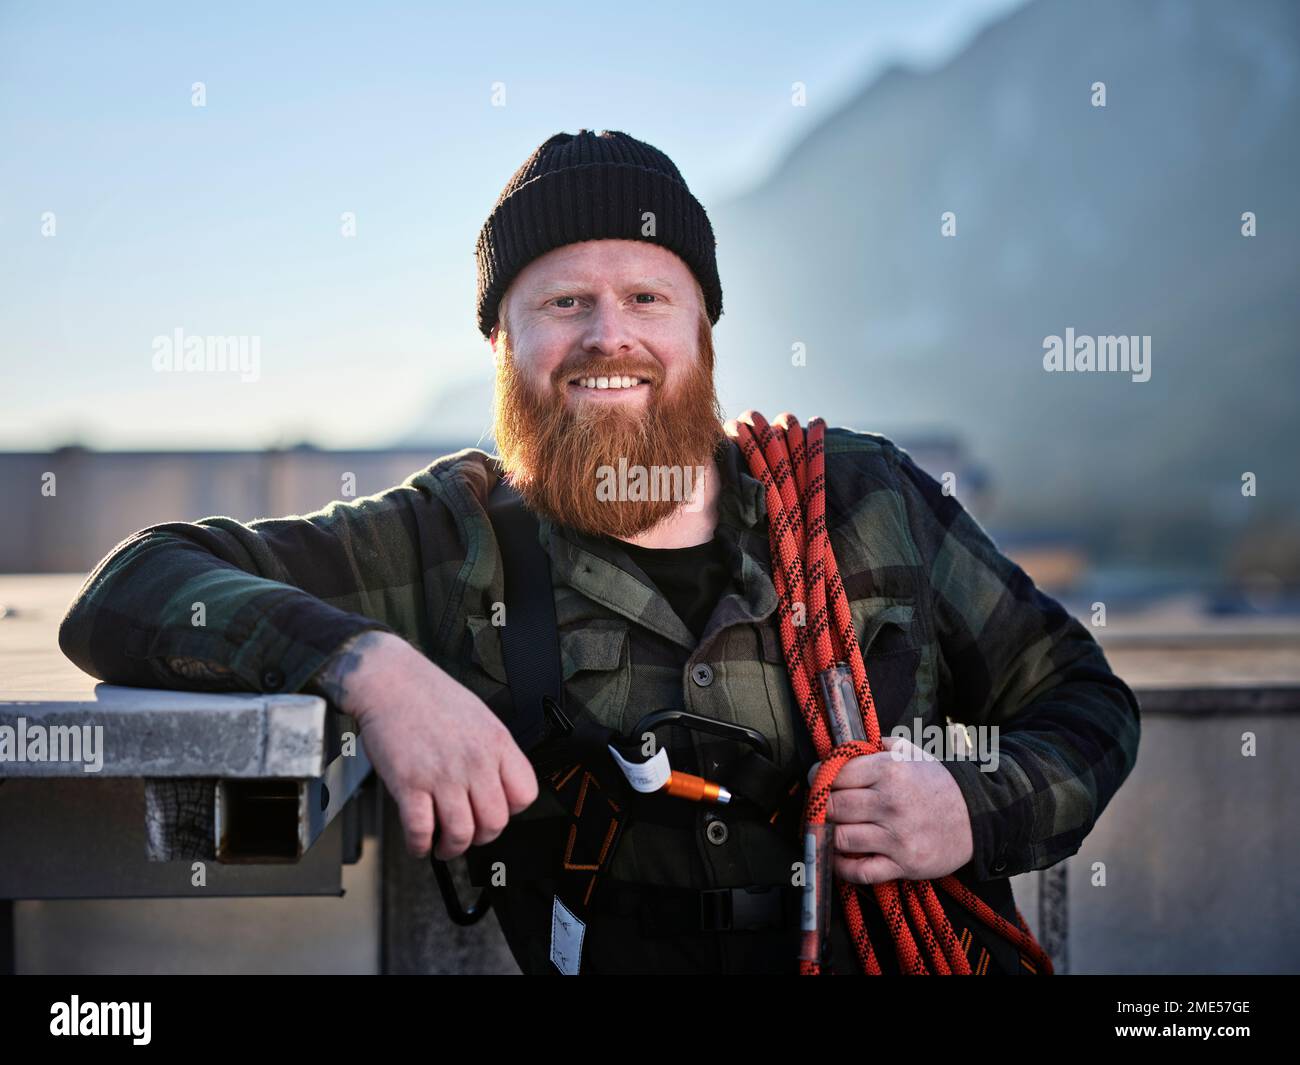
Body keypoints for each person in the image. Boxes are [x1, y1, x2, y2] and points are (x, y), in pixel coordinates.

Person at [58, 129, 1140, 975]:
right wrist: (370, 671)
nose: (606, 336)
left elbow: (1086, 701)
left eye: (645, 298)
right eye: (562, 302)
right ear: (504, 344)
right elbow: (133, 588)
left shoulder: (861, 497)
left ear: (702, 333)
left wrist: (970, 804)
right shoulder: (450, 540)